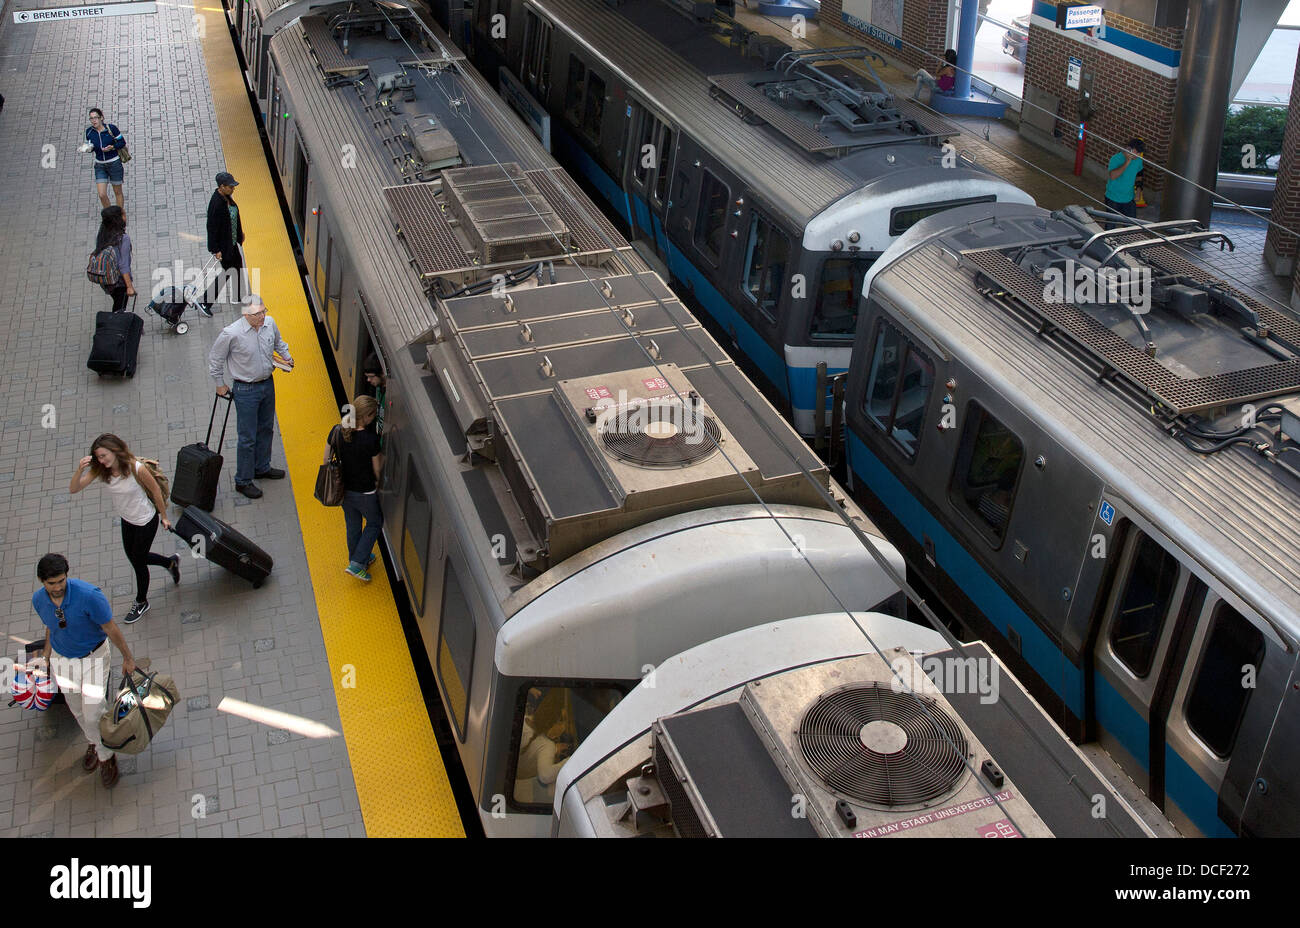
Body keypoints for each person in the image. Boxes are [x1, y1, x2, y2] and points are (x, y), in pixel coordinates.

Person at [31, 553, 138, 789]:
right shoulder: (39, 600)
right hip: (62, 660)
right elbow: (51, 628)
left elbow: (110, 627)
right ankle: (95, 742)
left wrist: (128, 658)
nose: (58, 587)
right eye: (52, 583)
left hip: (94, 659)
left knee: (93, 711)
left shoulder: (89, 596)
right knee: (77, 710)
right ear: (41, 581)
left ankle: (107, 758)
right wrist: (46, 658)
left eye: (61, 581)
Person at [69, 434, 179, 625]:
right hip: (127, 519)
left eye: (104, 456)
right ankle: (170, 563)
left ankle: (141, 601)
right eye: (99, 457)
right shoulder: (101, 470)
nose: (101, 461)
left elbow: (154, 491)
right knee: (136, 557)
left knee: (138, 561)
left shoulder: (136, 467)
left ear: (115, 450)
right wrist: (80, 470)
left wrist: (164, 517)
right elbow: (74, 489)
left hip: (145, 519)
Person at [208, 295, 294, 499]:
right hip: (245, 390)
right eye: (258, 314)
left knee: (266, 428)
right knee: (247, 437)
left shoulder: (269, 323)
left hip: (267, 384)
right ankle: (243, 480)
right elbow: (215, 360)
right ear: (245, 314)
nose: (263, 316)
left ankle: (262, 467)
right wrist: (220, 384)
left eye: (264, 311)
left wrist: (288, 358)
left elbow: (278, 343)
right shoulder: (231, 334)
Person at [328, 395, 384, 581]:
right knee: (375, 523)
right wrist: (379, 483)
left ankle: (358, 557)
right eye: (373, 416)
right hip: (365, 492)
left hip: (344, 489)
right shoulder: (370, 439)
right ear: (367, 416)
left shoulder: (338, 431)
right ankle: (358, 563)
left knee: (353, 525)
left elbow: (325, 459)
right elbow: (377, 468)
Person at [201, 171, 245, 316]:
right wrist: (215, 249)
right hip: (224, 245)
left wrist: (239, 235)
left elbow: (234, 218)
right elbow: (211, 228)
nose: (233, 189)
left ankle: (237, 297)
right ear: (222, 186)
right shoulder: (216, 204)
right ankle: (206, 302)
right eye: (230, 186)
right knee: (228, 271)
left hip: (231, 242)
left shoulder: (226, 198)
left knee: (237, 267)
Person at [94, 206, 135, 312]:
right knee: (119, 306)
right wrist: (129, 286)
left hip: (105, 277)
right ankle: (116, 325)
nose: (125, 217)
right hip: (118, 281)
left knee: (117, 300)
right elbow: (123, 265)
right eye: (123, 215)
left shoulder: (103, 232)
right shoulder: (123, 239)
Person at [84, 108, 125, 211]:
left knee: (117, 192)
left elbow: (122, 142)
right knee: (102, 194)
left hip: (114, 163)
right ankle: (110, 216)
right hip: (100, 165)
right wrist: (88, 149)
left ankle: (118, 217)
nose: (94, 121)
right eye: (91, 118)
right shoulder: (89, 132)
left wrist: (113, 147)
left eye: (96, 118)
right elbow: (91, 146)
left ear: (101, 118)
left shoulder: (111, 129)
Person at [1105, 138, 1145, 219]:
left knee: (1131, 226)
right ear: (1128, 149)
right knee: (1111, 225)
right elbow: (1113, 176)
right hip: (1113, 198)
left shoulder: (1138, 160)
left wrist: (1138, 191)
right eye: (1137, 152)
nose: (1139, 154)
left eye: (1140, 152)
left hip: (1129, 198)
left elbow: (1139, 175)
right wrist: (1127, 162)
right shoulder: (1116, 159)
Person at [361, 355, 387, 446]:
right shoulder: (379, 388)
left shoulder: (390, 394)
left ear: (383, 373)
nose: (368, 380)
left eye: (371, 377)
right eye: (367, 377)